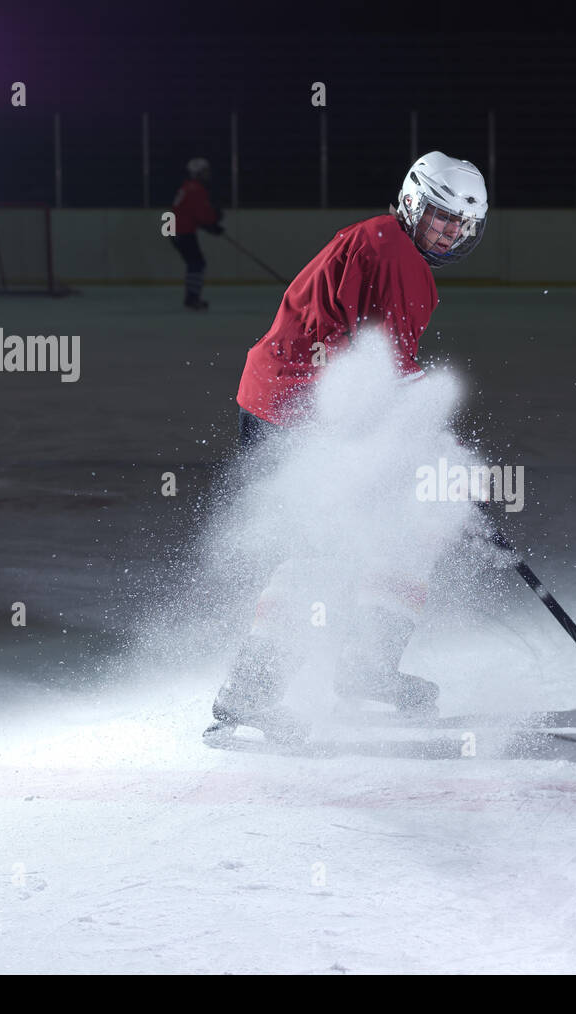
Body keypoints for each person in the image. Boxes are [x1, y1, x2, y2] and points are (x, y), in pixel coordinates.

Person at [205, 150, 489, 745]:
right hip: (298, 408)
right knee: (322, 553)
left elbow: (376, 367)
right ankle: (248, 693)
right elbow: (385, 368)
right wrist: (439, 453)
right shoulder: (394, 253)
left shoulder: (388, 243)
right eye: (440, 215)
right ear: (414, 201)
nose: (449, 230)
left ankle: (367, 667)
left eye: (460, 223)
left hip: (306, 402)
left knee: (409, 529)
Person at [169, 158, 223, 310]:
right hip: (182, 231)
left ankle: (191, 297)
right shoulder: (196, 189)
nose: (208, 175)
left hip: (177, 230)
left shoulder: (188, 187)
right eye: (205, 172)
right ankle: (192, 298)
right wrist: (213, 222)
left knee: (195, 263)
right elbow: (201, 214)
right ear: (197, 173)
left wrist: (210, 225)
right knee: (197, 263)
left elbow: (192, 213)